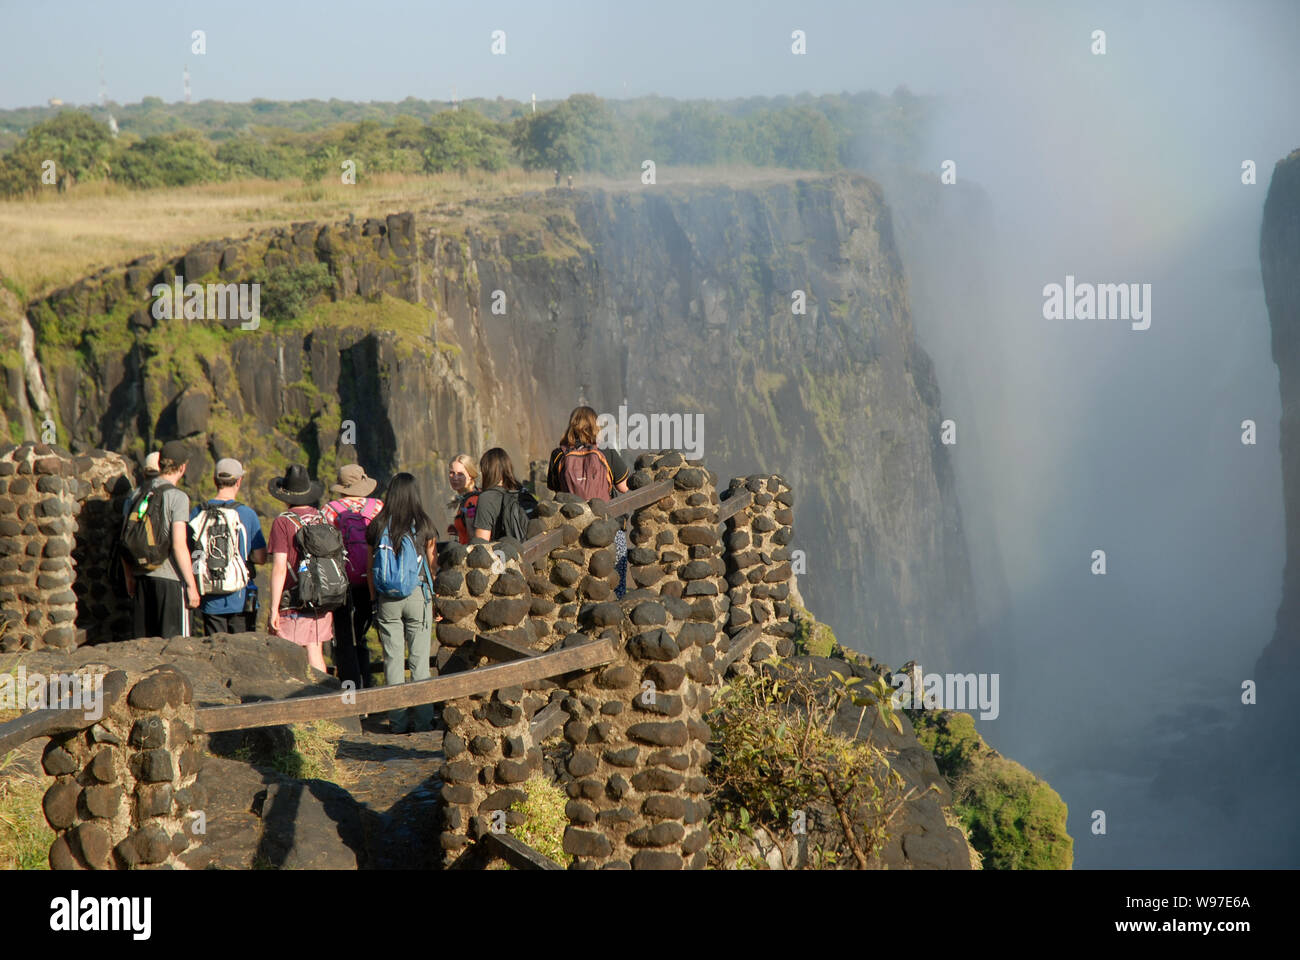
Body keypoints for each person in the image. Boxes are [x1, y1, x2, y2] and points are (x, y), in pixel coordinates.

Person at [365, 473, 438, 733]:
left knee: (393, 660)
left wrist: (375, 602)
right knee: (419, 661)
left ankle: (396, 722)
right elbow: (431, 564)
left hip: (387, 600)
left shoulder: (378, 525)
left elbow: (370, 567)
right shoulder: (424, 524)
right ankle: (422, 721)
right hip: (417, 596)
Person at [547, 406, 632, 594]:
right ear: (595, 427)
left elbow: (555, 488)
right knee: (615, 585)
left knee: (574, 586)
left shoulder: (558, 455)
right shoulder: (607, 453)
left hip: (572, 530)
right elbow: (625, 487)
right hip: (608, 527)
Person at [121, 440, 201, 638]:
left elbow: (124, 539)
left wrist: (129, 576)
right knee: (174, 648)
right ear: (182, 467)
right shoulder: (178, 497)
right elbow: (179, 545)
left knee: (143, 647)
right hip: (170, 580)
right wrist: (191, 586)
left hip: (141, 577)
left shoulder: (136, 494)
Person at [321, 464, 384, 691]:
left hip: (342, 582)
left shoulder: (330, 510)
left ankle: (351, 696)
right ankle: (368, 688)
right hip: (372, 581)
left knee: (345, 639)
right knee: (364, 634)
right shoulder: (378, 507)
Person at [267, 465, 334, 673]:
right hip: (322, 598)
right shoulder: (322, 518)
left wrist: (273, 609)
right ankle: (326, 701)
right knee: (315, 653)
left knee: (290, 658)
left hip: (294, 600)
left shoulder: (282, 523)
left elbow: (279, 568)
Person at [188, 458, 267, 635]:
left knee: (215, 652)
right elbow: (261, 558)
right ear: (239, 481)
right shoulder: (247, 514)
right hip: (241, 596)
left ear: (214, 481)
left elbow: (191, 553)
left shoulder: (198, 512)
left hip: (209, 595)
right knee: (242, 652)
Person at [472, 448, 538, 541]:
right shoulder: (521, 491)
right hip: (529, 547)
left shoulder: (486, 498)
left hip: (506, 553)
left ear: (485, 470)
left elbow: (481, 542)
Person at [445, 453, 480, 545]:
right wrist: (459, 530)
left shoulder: (472, 501)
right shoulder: (466, 498)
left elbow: (475, 537)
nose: (455, 478)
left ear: (470, 475)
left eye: (460, 474)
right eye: (452, 473)